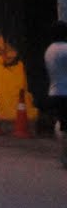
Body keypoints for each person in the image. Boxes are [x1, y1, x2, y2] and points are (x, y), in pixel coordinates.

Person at [46, 20, 67, 168]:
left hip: (54, 91)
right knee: (65, 126)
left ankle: (63, 155)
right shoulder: (65, 49)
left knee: (62, 124)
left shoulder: (50, 50)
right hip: (65, 92)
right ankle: (64, 156)